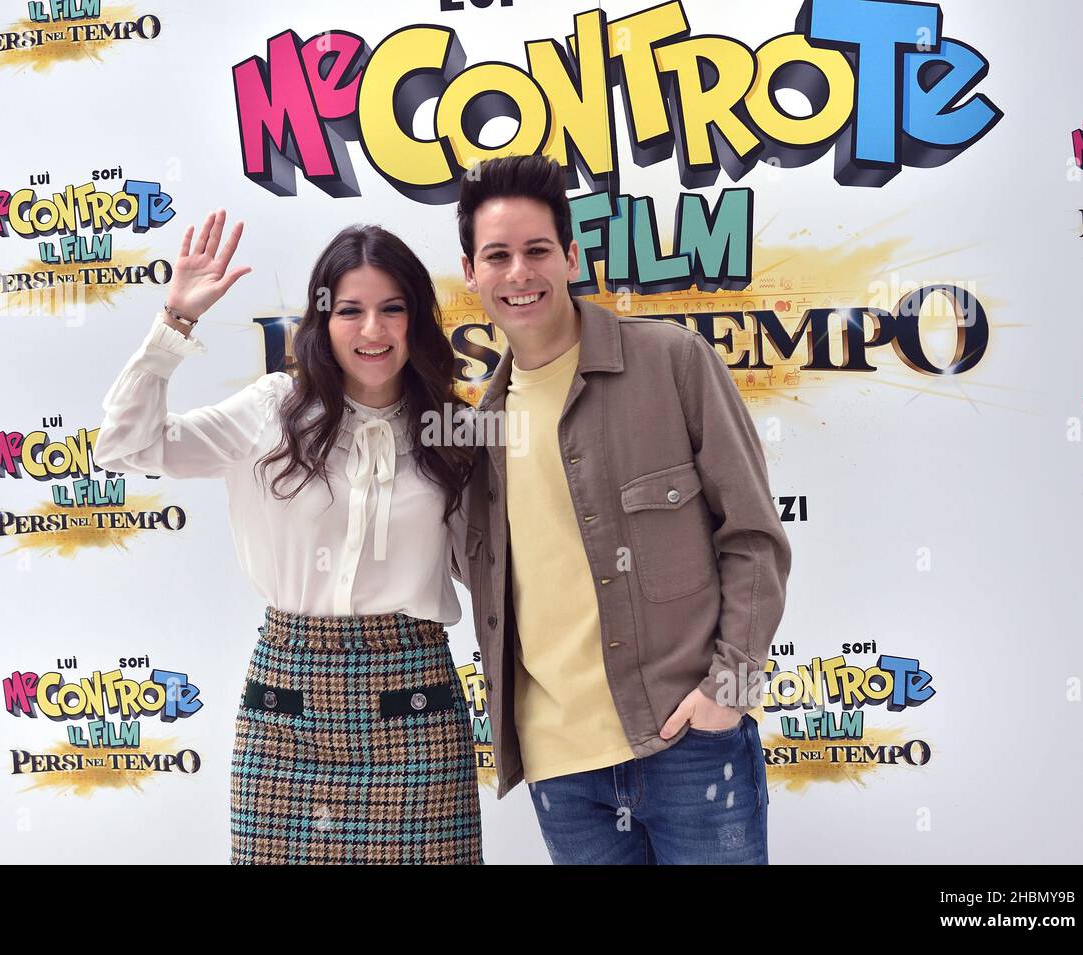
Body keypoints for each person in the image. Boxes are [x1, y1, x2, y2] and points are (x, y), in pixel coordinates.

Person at [93, 209, 481, 864]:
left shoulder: (452, 430)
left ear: (418, 318)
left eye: (393, 308)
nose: (373, 330)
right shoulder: (271, 409)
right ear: (321, 321)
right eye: (350, 310)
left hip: (417, 704)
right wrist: (175, 323)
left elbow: (497, 567)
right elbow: (126, 446)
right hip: (289, 704)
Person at [452, 156, 791, 865]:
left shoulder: (673, 362)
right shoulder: (477, 429)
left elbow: (754, 538)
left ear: (571, 255)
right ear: (471, 273)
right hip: (562, 769)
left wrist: (726, 690)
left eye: (538, 250)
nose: (520, 273)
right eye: (498, 256)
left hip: (688, 744)